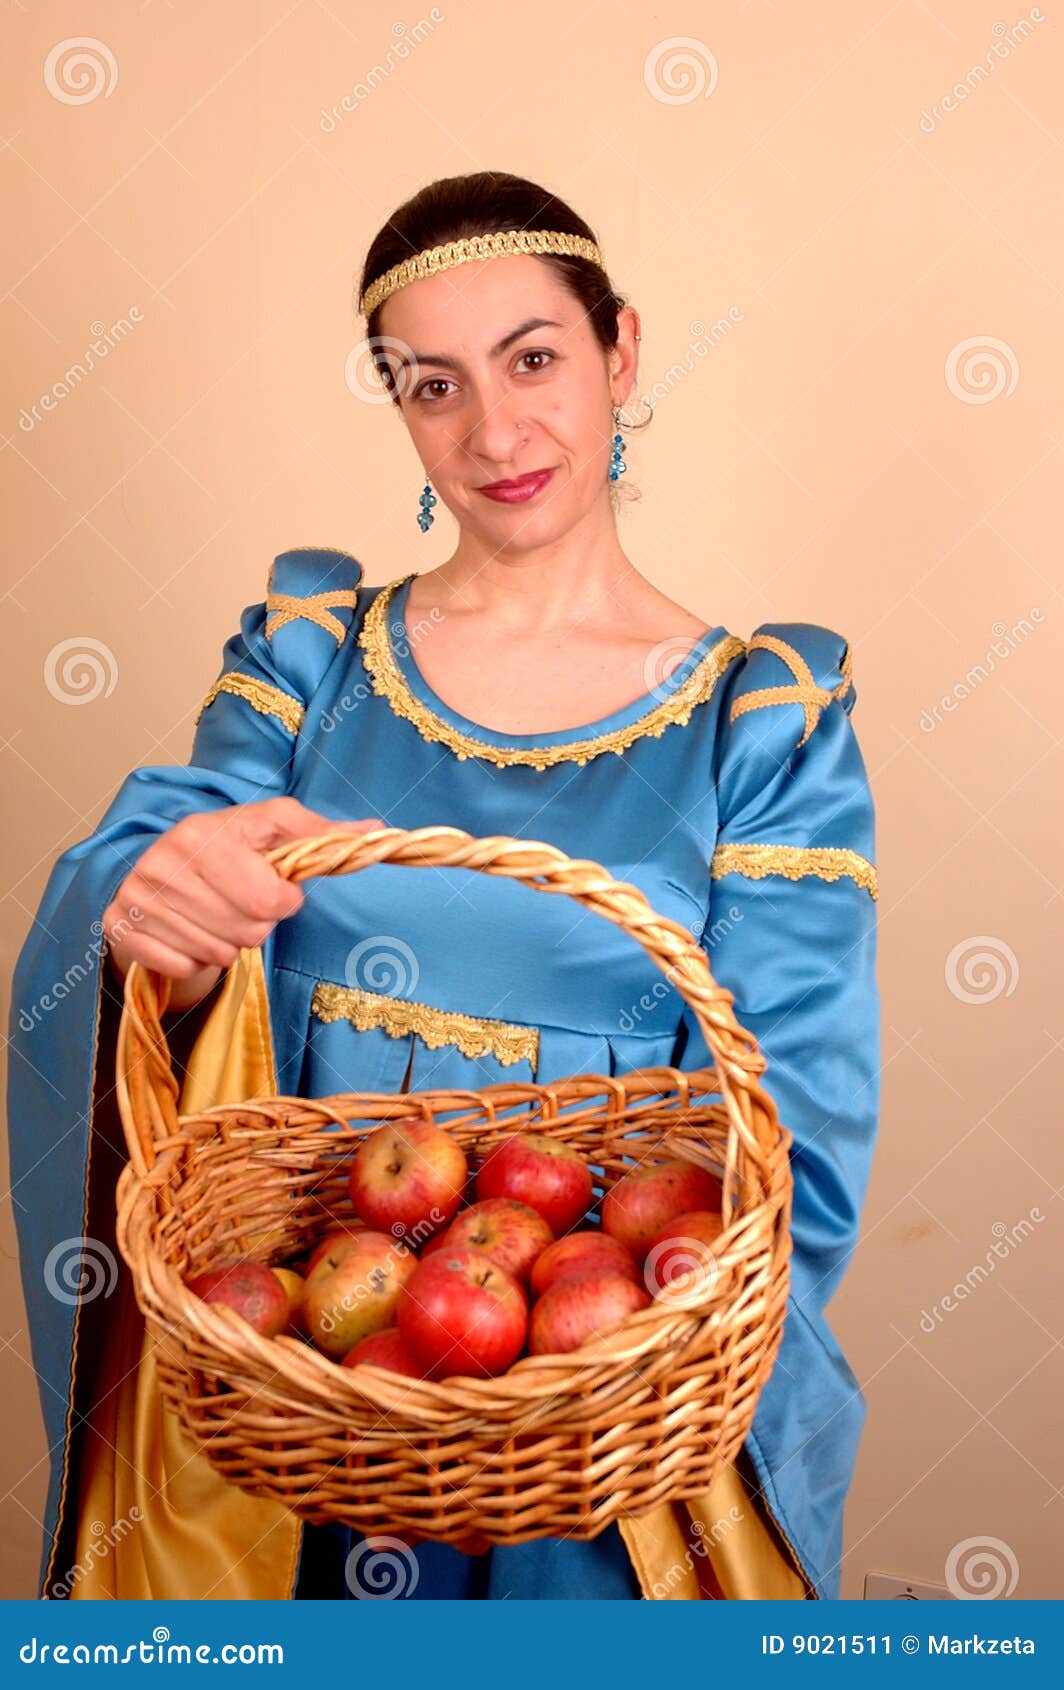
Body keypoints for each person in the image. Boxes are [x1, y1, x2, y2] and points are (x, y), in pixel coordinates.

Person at [7, 170, 880, 1602]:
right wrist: (136, 909)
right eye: (433, 384)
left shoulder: (761, 719)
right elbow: (165, 879)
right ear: (399, 408)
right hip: (303, 1394)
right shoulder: (309, 657)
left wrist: (599, 1364)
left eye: (535, 357)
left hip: (600, 1442)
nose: (495, 430)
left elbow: (802, 1140)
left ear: (623, 352)